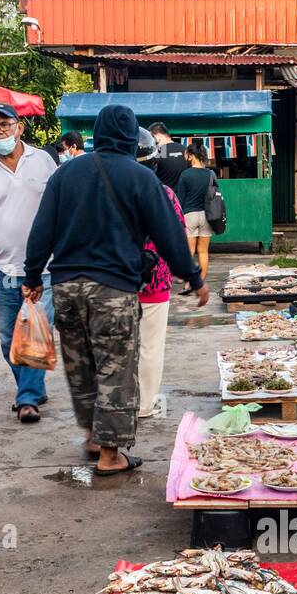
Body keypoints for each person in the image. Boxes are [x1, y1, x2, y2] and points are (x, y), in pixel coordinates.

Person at [23, 103, 208, 476]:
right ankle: (110, 455)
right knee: (115, 370)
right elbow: (168, 233)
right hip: (113, 289)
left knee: (82, 367)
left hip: (66, 288)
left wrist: (31, 277)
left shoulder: (65, 175)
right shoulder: (140, 177)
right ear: (130, 137)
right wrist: (193, 275)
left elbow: (41, 229)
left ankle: (93, 436)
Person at [0, 104, 57, 424]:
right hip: (2, 267)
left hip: (45, 266)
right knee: (7, 337)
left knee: (34, 331)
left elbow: (61, 203)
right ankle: (32, 387)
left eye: (4, 125)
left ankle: (28, 399)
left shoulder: (43, 160)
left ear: (19, 128)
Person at [136, 127, 185, 419]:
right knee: (150, 347)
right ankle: (144, 405)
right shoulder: (165, 193)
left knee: (119, 347)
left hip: (117, 283)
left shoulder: (110, 191)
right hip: (155, 282)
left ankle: (120, 403)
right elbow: (177, 236)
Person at [176, 141, 214, 295]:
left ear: (191, 156)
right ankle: (200, 284)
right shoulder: (209, 174)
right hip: (206, 215)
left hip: (190, 215)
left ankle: (188, 285)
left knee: (189, 252)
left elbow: (180, 199)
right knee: (203, 252)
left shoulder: (185, 174)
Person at [150, 124, 189, 188]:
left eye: (152, 136)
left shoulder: (159, 151)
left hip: (164, 195)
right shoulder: (185, 149)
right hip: (181, 195)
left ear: (158, 135)